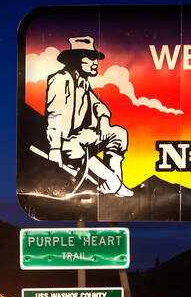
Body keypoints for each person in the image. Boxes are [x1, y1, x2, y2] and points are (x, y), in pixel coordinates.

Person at [44, 35, 128, 188]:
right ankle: (111, 183)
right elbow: (54, 115)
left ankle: (114, 184)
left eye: (95, 58)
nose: (96, 63)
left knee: (118, 133)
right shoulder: (61, 80)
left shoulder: (83, 82)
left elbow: (99, 106)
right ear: (76, 59)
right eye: (90, 58)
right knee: (77, 149)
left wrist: (103, 121)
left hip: (81, 138)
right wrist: (55, 148)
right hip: (66, 143)